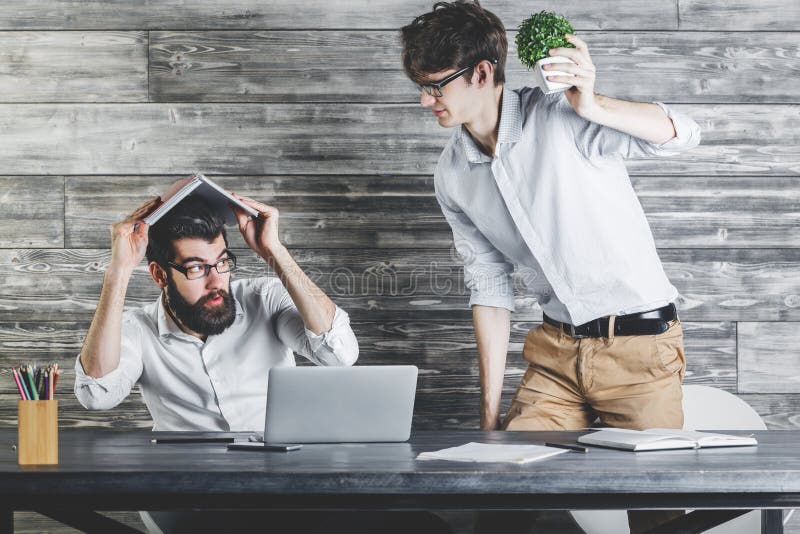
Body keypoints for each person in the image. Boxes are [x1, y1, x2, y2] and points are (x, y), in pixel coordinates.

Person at [400, 2, 701, 532]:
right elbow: (489, 286)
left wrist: (593, 104)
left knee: (661, 517)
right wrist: (489, 421)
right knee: (499, 497)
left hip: (640, 352)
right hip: (555, 358)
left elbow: (684, 133)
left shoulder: (562, 115)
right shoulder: (452, 175)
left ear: (483, 73)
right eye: (421, 86)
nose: (426, 100)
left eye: (435, 86)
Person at [74, 186, 360, 533]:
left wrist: (275, 252)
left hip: (281, 483)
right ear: (160, 275)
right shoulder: (138, 328)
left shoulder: (264, 298)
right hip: (184, 493)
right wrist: (118, 271)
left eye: (222, 263)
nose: (216, 282)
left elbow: (340, 353)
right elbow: (96, 395)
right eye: (196, 268)